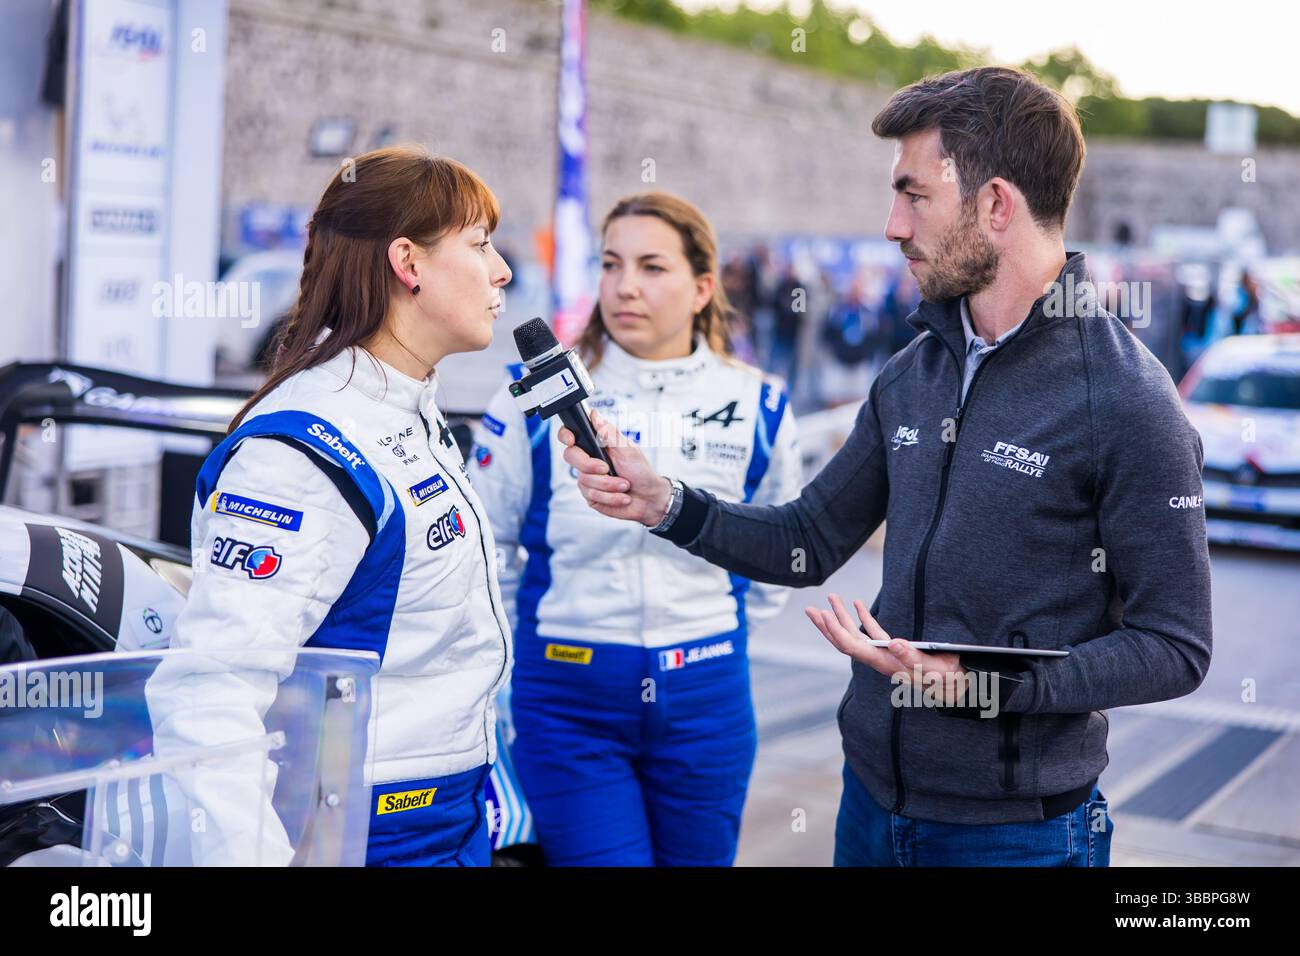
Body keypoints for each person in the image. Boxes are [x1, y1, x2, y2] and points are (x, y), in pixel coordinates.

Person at [556, 67, 1213, 867]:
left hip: (1015, 838)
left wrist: (979, 685)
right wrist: (665, 504)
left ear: (995, 204)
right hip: (868, 804)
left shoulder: (1127, 399)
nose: (893, 225)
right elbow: (807, 541)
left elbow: (1175, 645)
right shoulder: (914, 369)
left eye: (914, 196)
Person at [156, 146, 515, 866]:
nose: (502, 269)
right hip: (365, 829)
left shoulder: (408, 406)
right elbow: (206, 692)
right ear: (408, 263)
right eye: (479, 245)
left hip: (453, 807)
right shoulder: (303, 450)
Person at [471, 191, 801, 866]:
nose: (625, 287)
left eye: (652, 267)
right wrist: (514, 662)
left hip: (709, 697)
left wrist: (720, 626)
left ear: (703, 286)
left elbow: (779, 543)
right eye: (611, 263)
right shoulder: (528, 395)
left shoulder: (758, 401)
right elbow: (486, 546)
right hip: (567, 699)